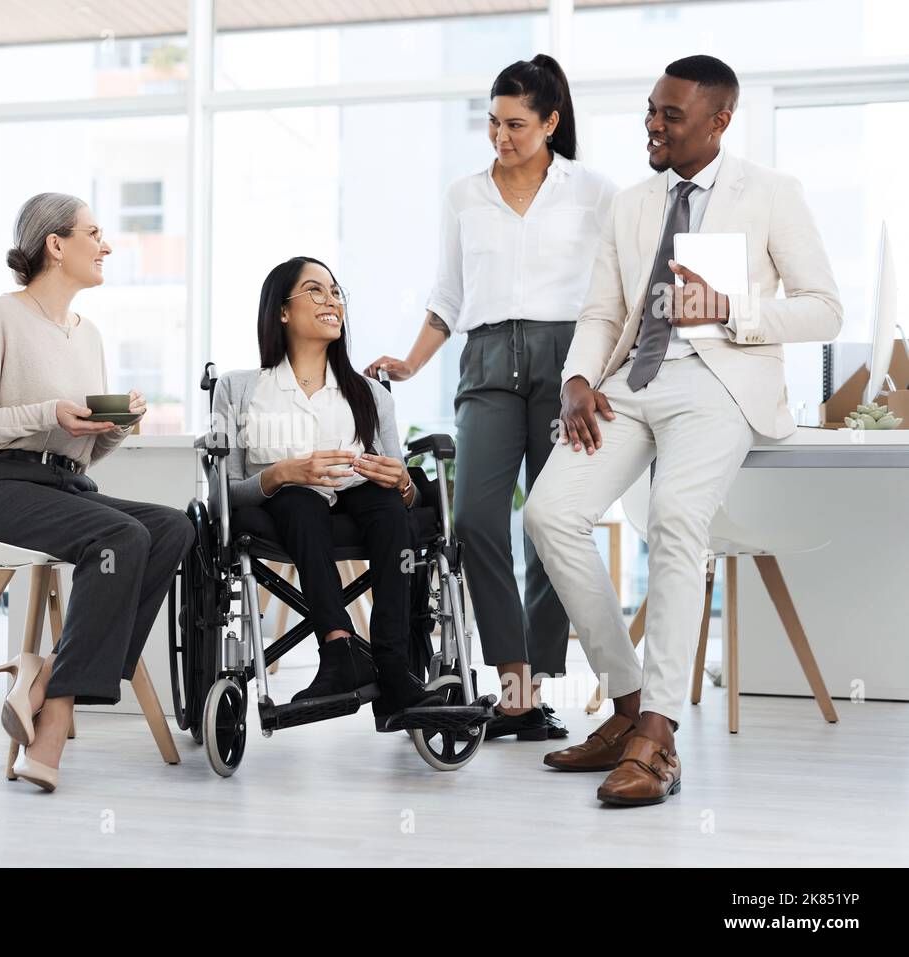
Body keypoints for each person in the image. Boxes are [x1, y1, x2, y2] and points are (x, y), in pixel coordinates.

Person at [524, 56, 842, 806]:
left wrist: (732, 308)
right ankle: (629, 705)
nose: (653, 125)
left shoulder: (771, 192)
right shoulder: (631, 203)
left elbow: (825, 309)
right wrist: (577, 378)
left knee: (674, 519)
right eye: (650, 110)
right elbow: (603, 310)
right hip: (630, 383)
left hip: (719, 381)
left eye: (671, 115)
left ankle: (658, 736)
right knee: (549, 513)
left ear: (719, 121)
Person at [366, 54, 616, 741]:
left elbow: (615, 290)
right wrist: (412, 361)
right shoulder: (464, 195)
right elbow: (449, 294)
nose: (500, 137)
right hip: (485, 362)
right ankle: (513, 680)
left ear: (550, 122)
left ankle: (524, 695)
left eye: (515, 124)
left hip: (568, 366)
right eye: (493, 123)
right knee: (476, 519)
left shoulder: (594, 192)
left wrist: (601, 373)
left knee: (549, 522)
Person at [0, 192, 194, 792]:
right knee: (121, 535)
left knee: (172, 528)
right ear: (55, 244)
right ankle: (53, 721)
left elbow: (80, 450)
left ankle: (48, 674)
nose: (107, 246)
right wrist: (48, 411)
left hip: (62, 483)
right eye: (94, 234)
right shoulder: (1, 317)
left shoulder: (89, 335)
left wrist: (114, 427)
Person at [212, 256, 448, 729]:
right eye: (316, 290)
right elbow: (226, 494)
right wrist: (280, 474)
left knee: (386, 504)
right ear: (282, 311)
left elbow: (405, 491)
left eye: (336, 292)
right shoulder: (238, 389)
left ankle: (393, 665)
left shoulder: (370, 394)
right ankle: (340, 651)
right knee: (298, 497)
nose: (332, 301)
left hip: (365, 503)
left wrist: (403, 483)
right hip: (285, 510)